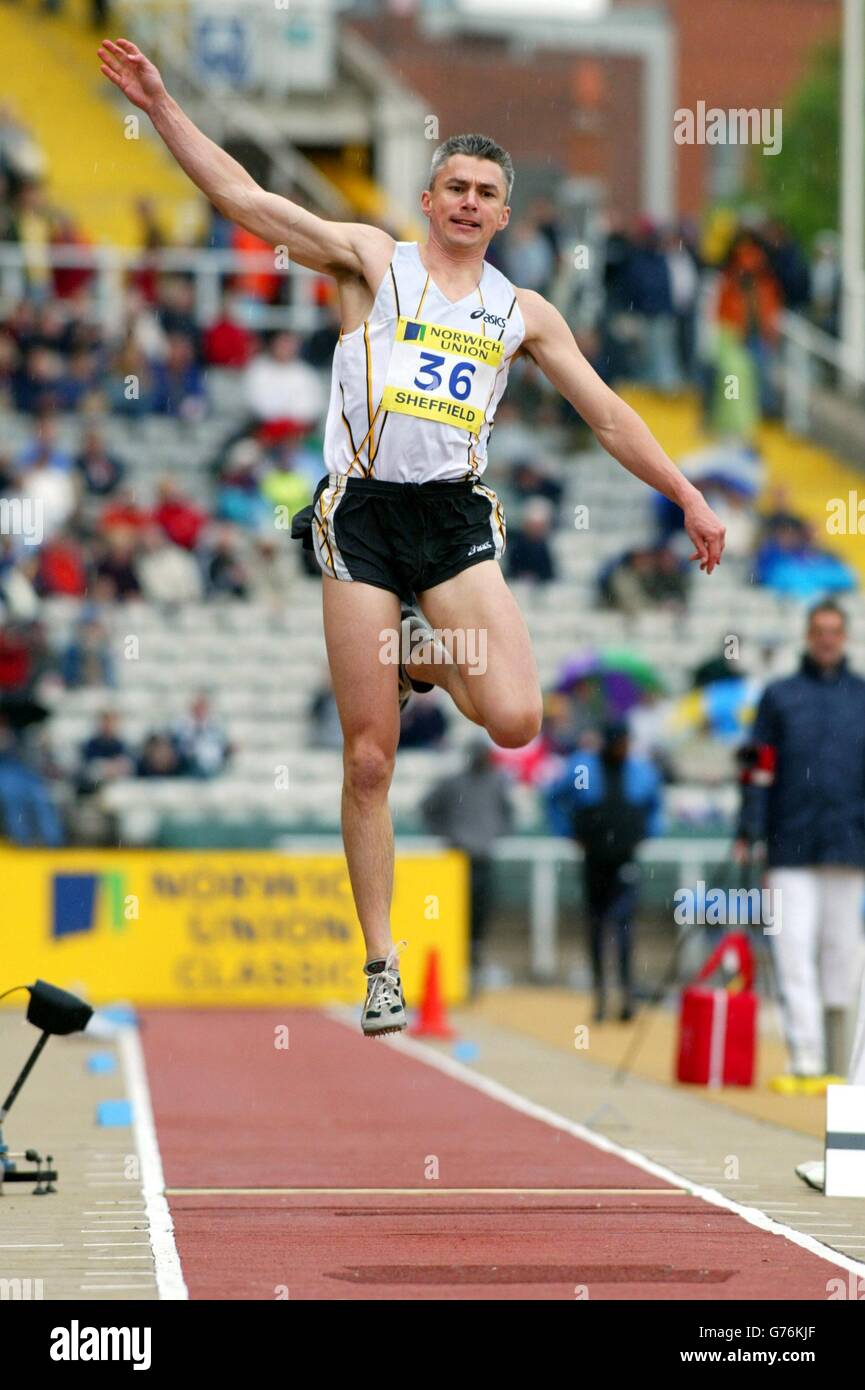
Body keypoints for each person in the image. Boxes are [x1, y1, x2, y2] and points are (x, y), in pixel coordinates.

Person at [99, 40, 726, 1036]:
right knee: (369, 763)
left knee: (518, 717)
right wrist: (164, 107)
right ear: (428, 199)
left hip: (450, 519)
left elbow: (606, 414)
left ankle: (423, 660)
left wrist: (688, 495)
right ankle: (382, 961)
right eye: (454, 187)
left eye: (486, 191)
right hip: (359, 515)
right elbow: (247, 202)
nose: (469, 202)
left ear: (505, 214)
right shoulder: (370, 260)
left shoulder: (520, 313)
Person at [735, 600, 865, 1094]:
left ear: (845, 636)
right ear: (808, 636)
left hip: (850, 845)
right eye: (819, 631)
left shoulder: (861, 696)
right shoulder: (779, 696)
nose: (827, 639)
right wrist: (749, 829)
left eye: (835, 631)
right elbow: (756, 767)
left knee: (843, 953)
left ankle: (840, 1060)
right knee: (792, 950)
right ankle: (806, 1059)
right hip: (789, 844)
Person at [546, 722, 663, 1022]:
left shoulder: (640, 771)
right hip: (595, 859)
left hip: (625, 858)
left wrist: (647, 833)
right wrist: (566, 831)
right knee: (596, 927)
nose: (624, 749)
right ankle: (600, 997)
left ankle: (626, 996)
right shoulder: (582, 768)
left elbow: (656, 804)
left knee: (623, 926)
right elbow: (553, 799)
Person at [420, 738, 513, 986]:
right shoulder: (453, 783)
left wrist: (496, 832)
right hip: (457, 858)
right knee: (455, 912)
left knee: (482, 911)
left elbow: (508, 813)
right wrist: (445, 832)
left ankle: (474, 958)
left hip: (483, 856)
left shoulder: (497, 783)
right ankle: (457, 960)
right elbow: (427, 807)